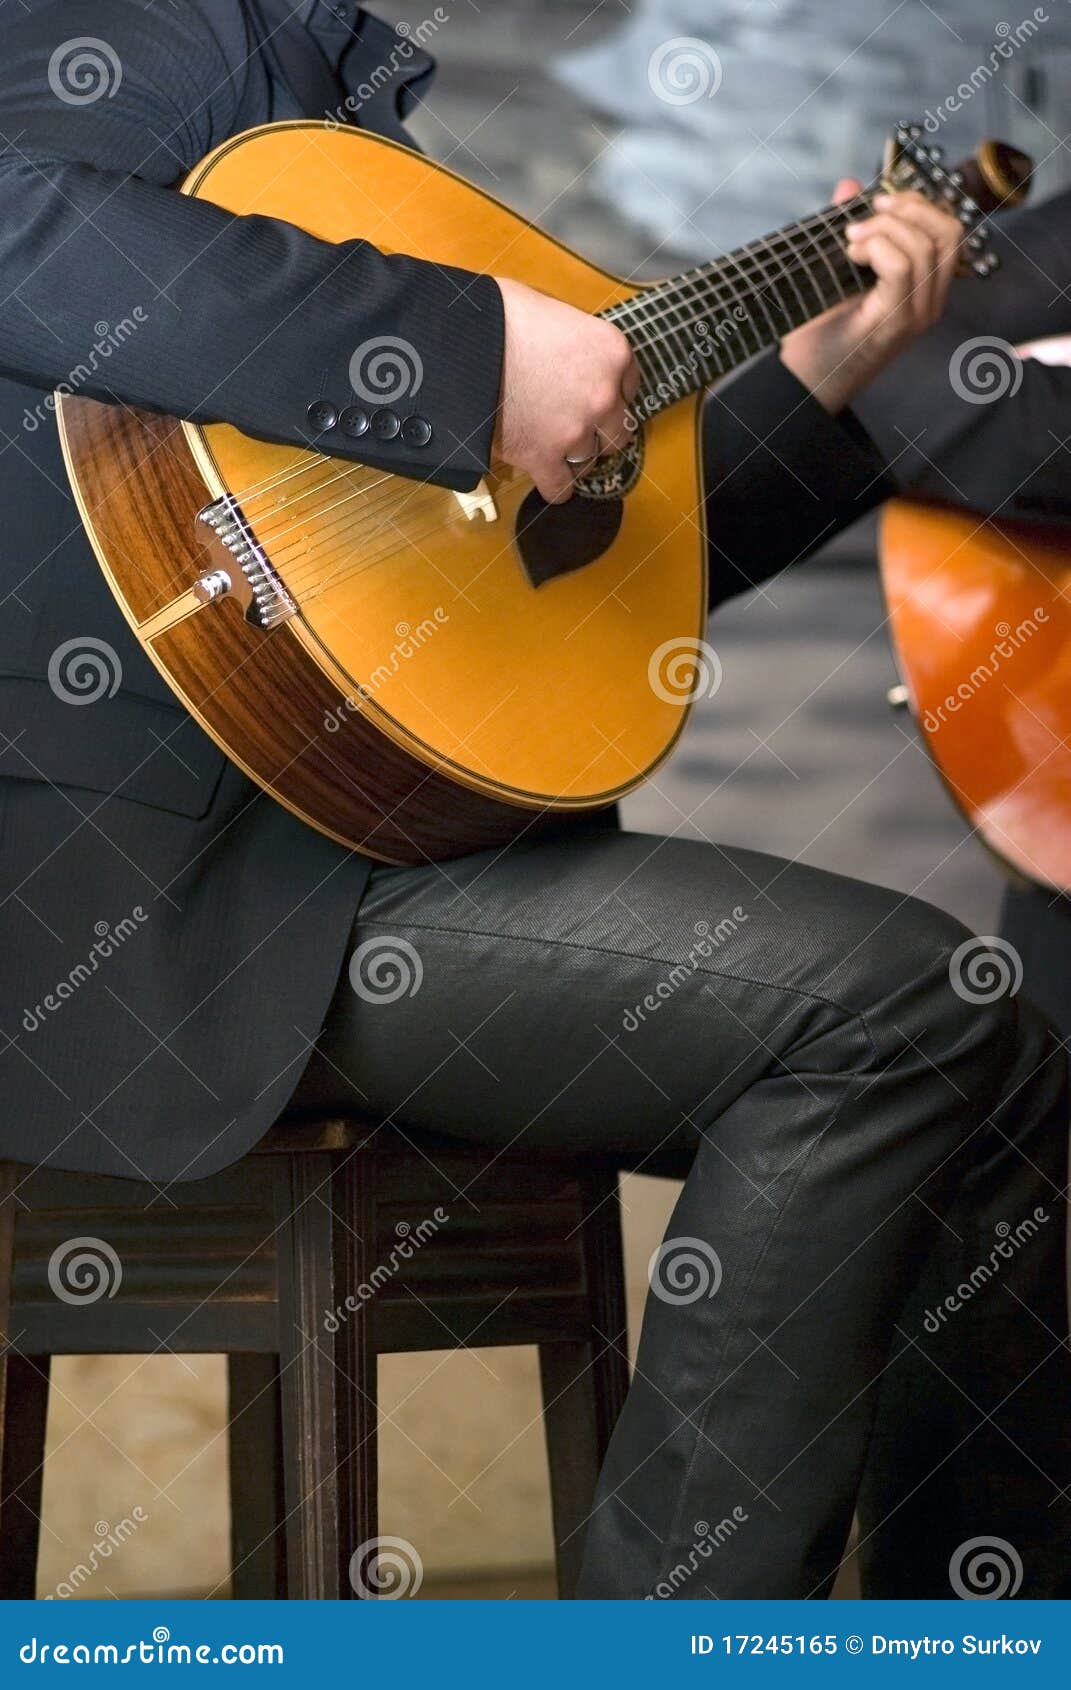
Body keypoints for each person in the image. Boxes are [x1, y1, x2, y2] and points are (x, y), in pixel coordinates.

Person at [0, 0, 1067, 1599]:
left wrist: (820, 379)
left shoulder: (341, 129)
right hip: (156, 918)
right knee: (904, 1015)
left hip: (360, 850)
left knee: (993, 1065)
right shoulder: (124, 35)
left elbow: (565, 578)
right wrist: (475, 354)